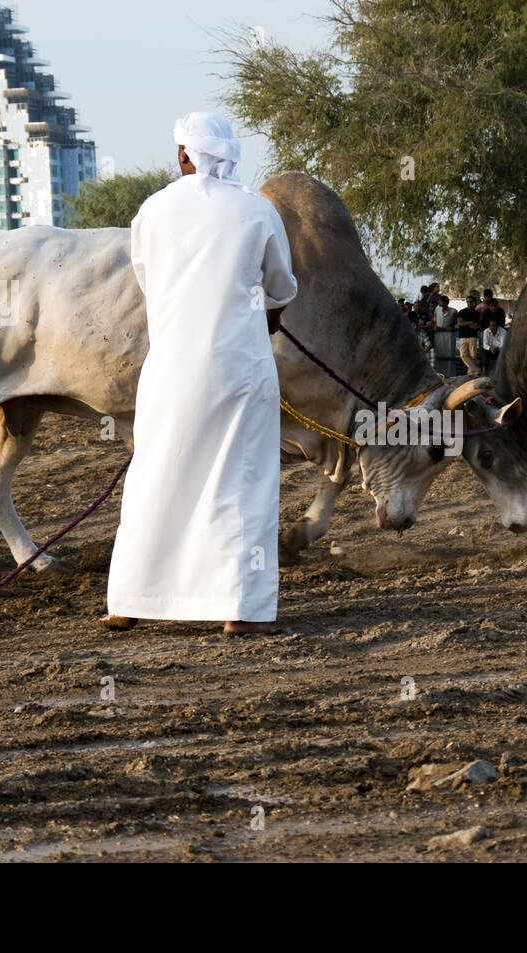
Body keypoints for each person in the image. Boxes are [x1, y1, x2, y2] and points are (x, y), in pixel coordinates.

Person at [103, 111, 297, 636]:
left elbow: (149, 281)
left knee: (155, 475)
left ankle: (128, 599)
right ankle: (241, 610)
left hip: (170, 369)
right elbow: (280, 289)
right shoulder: (258, 210)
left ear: (185, 155)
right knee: (243, 480)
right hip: (238, 367)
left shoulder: (152, 210)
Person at [455, 291, 483, 374]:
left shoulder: (477, 314)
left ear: (474, 303)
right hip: (463, 336)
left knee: (473, 356)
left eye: (471, 302)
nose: (469, 303)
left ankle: (471, 373)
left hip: (472, 336)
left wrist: (465, 323)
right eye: (468, 302)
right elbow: (459, 323)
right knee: (463, 355)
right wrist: (470, 323)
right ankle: (477, 370)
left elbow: (476, 326)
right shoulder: (462, 312)